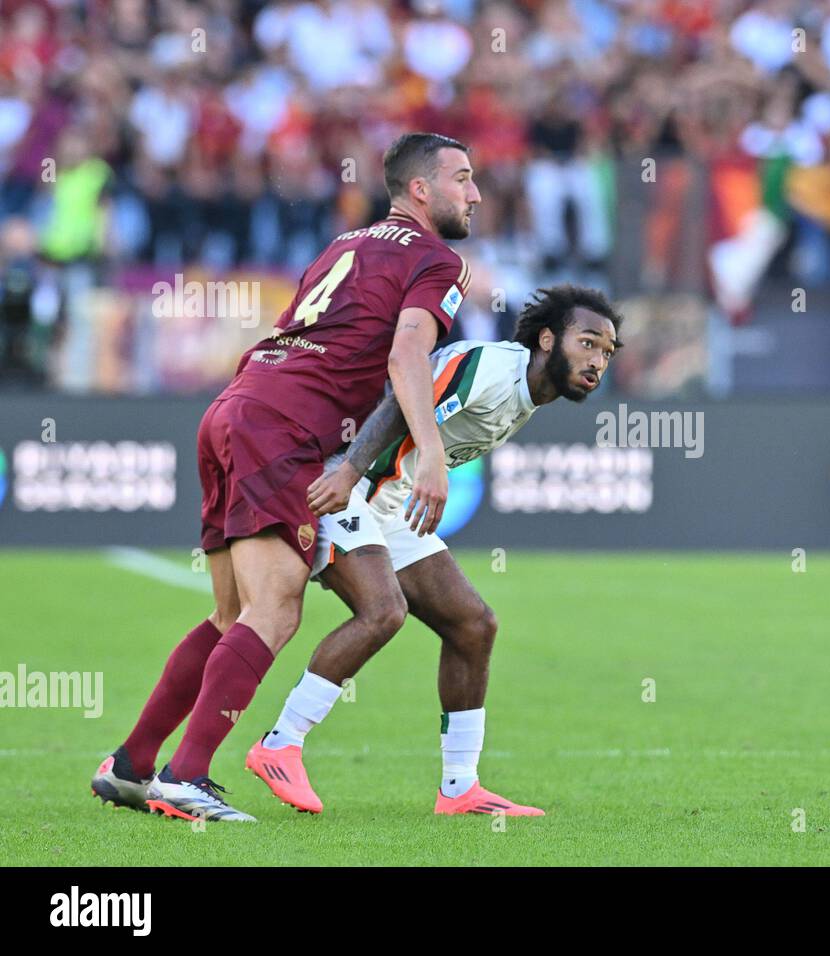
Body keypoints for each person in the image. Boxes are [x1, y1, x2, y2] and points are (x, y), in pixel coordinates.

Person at [91, 133, 480, 822]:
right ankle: (187, 776)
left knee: (232, 614)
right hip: (282, 428)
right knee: (276, 609)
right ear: (420, 189)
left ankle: (133, 765)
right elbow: (407, 352)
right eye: (463, 179)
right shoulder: (437, 259)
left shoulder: (344, 244)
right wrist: (431, 451)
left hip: (235, 408)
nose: (475, 195)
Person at [246, 285, 623, 817]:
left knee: (474, 625)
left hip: (391, 502)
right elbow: (404, 398)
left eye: (607, 352)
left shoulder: (531, 394)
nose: (598, 360)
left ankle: (459, 787)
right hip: (349, 486)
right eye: (588, 343)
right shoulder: (494, 367)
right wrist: (352, 471)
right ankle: (279, 744)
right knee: (383, 612)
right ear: (547, 339)